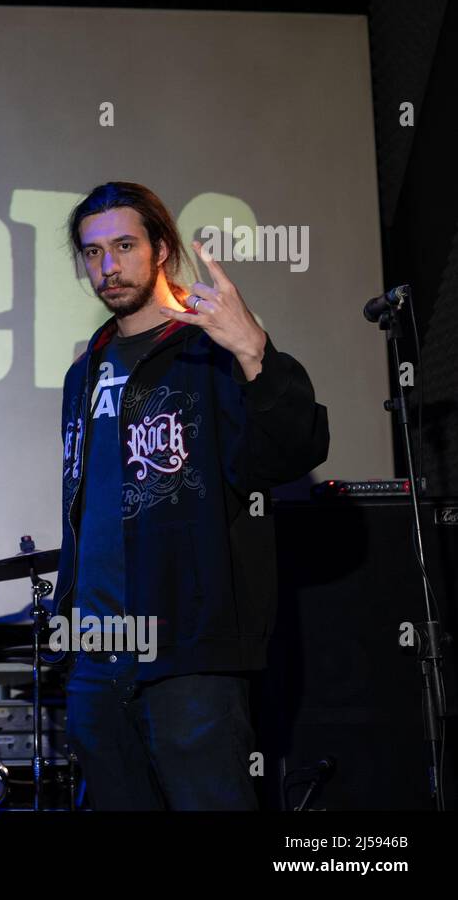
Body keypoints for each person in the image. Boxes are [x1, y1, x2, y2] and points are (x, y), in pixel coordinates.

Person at [56, 181, 329, 810]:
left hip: (187, 645)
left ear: (161, 248)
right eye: (93, 252)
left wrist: (255, 351)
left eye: (124, 245)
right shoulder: (84, 370)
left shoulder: (209, 348)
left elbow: (295, 450)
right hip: (98, 651)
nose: (108, 265)